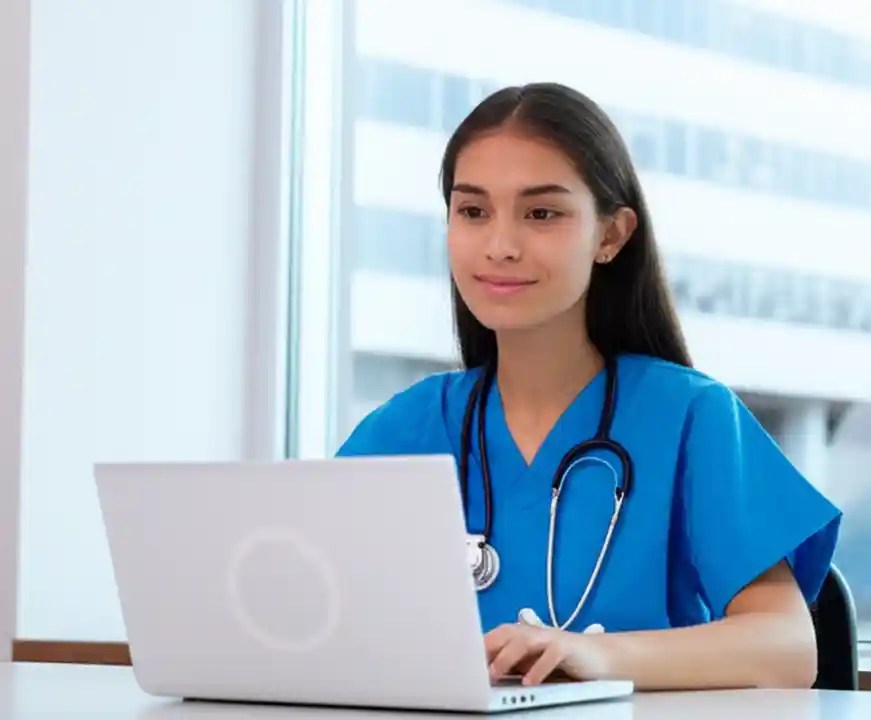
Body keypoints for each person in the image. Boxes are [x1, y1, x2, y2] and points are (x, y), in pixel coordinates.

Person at [336, 81, 842, 691]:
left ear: (611, 236)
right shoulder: (407, 429)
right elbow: (308, 615)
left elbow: (787, 649)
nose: (500, 245)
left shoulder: (690, 418)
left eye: (541, 213)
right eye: (473, 211)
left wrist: (597, 658)